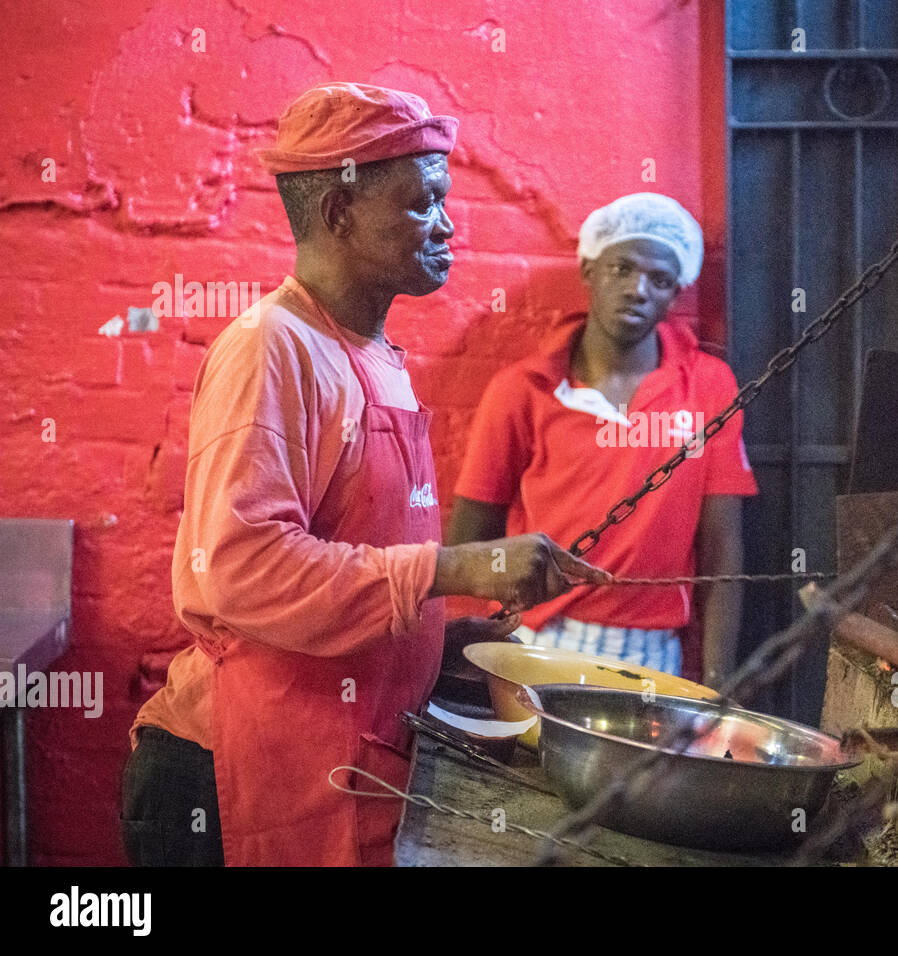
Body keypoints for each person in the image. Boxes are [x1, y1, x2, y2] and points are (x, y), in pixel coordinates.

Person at [120, 82, 610, 867]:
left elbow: (345, 563)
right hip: (229, 775)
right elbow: (243, 569)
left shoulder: (373, 358)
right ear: (338, 214)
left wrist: (433, 639)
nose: (448, 225)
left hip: (338, 762)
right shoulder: (271, 348)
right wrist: (461, 566)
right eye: (422, 204)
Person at [449, 193, 757, 685]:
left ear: (676, 294)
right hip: (536, 640)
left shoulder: (707, 385)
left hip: (648, 652)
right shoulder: (523, 389)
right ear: (588, 272)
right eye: (621, 269)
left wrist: (720, 683)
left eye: (659, 279)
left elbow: (722, 543)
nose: (637, 289)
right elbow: (467, 540)